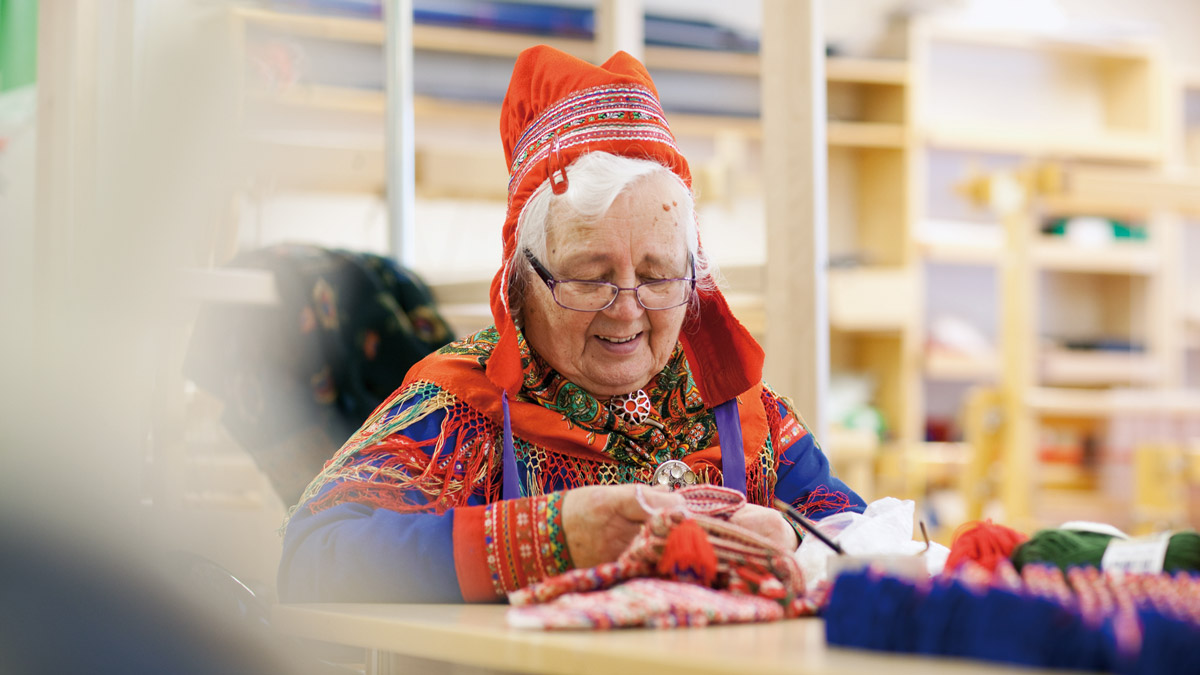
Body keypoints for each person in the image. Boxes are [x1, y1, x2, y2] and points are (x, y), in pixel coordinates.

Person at [277, 45, 865, 603]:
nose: (627, 308)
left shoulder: (742, 416)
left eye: (659, 276)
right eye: (590, 277)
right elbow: (311, 558)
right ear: (521, 281)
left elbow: (865, 539)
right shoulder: (459, 411)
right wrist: (548, 539)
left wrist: (792, 540)